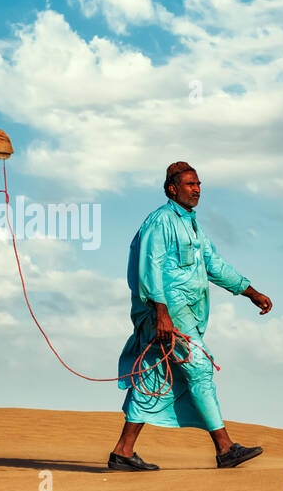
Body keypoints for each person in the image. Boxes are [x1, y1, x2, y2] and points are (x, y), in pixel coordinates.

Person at [111, 161, 273, 471]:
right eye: (189, 184)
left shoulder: (192, 224)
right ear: (172, 189)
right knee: (199, 368)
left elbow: (215, 265)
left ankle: (123, 452)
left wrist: (250, 292)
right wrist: (161, 313)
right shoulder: (160, 222)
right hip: (169, 313)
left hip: (186, 314)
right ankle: (225, 448)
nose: (196, 189)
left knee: (153, 377)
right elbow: (150, 268)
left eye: (198, 184)